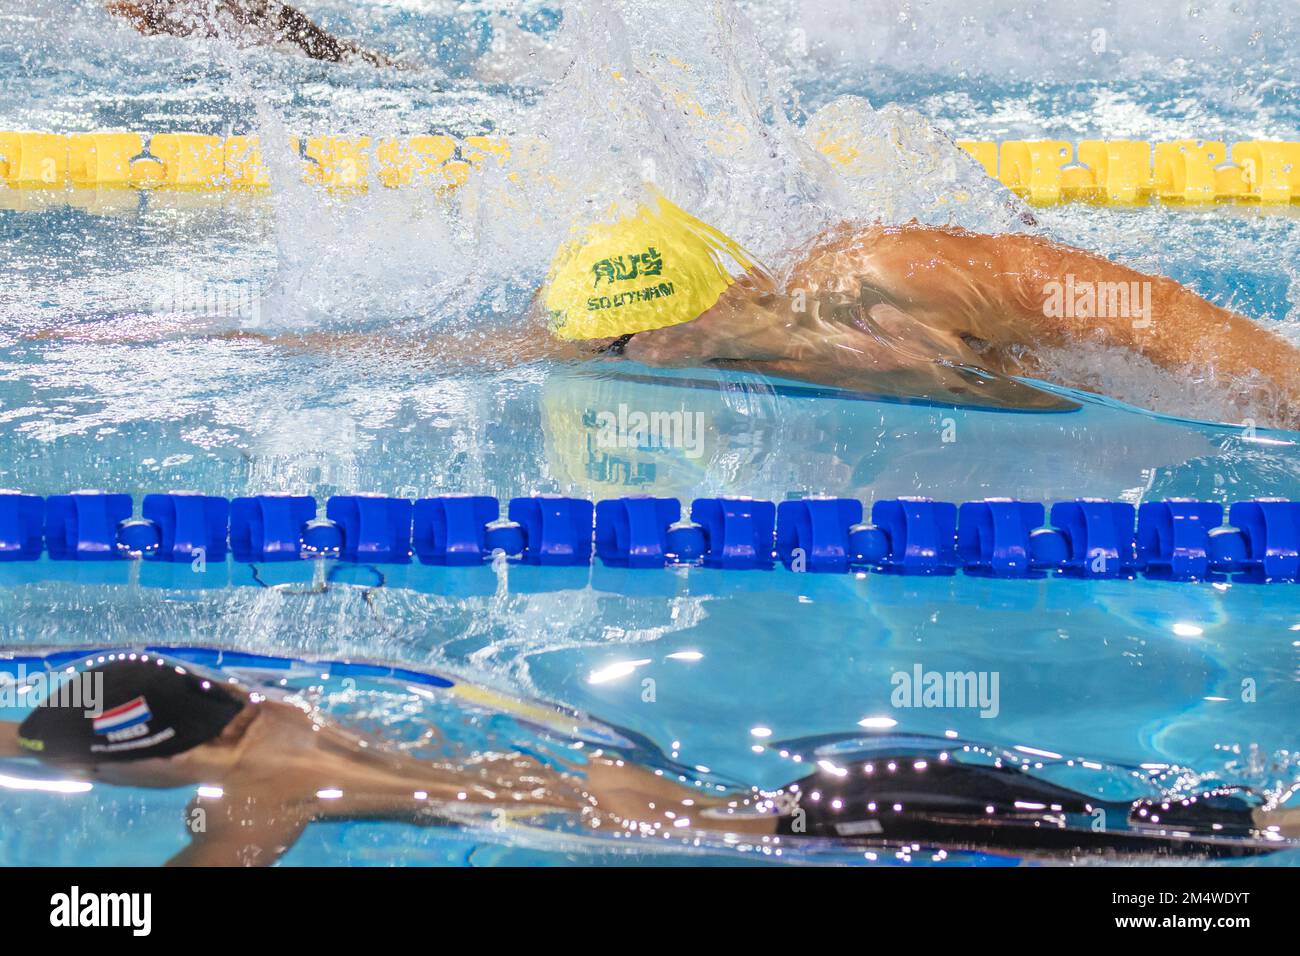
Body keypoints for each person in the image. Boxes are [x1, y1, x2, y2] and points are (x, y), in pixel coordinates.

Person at [1, 654, 1294, 865]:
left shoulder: (254, 787)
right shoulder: (283, 720)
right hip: (783, 797)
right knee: (1170, 829)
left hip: (769, 833)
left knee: (1151, 865)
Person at [105, 0, 394, 67]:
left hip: (270, 28)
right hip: (251, 32)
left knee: (333, 54)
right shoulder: (147, 14)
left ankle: (386, 64)